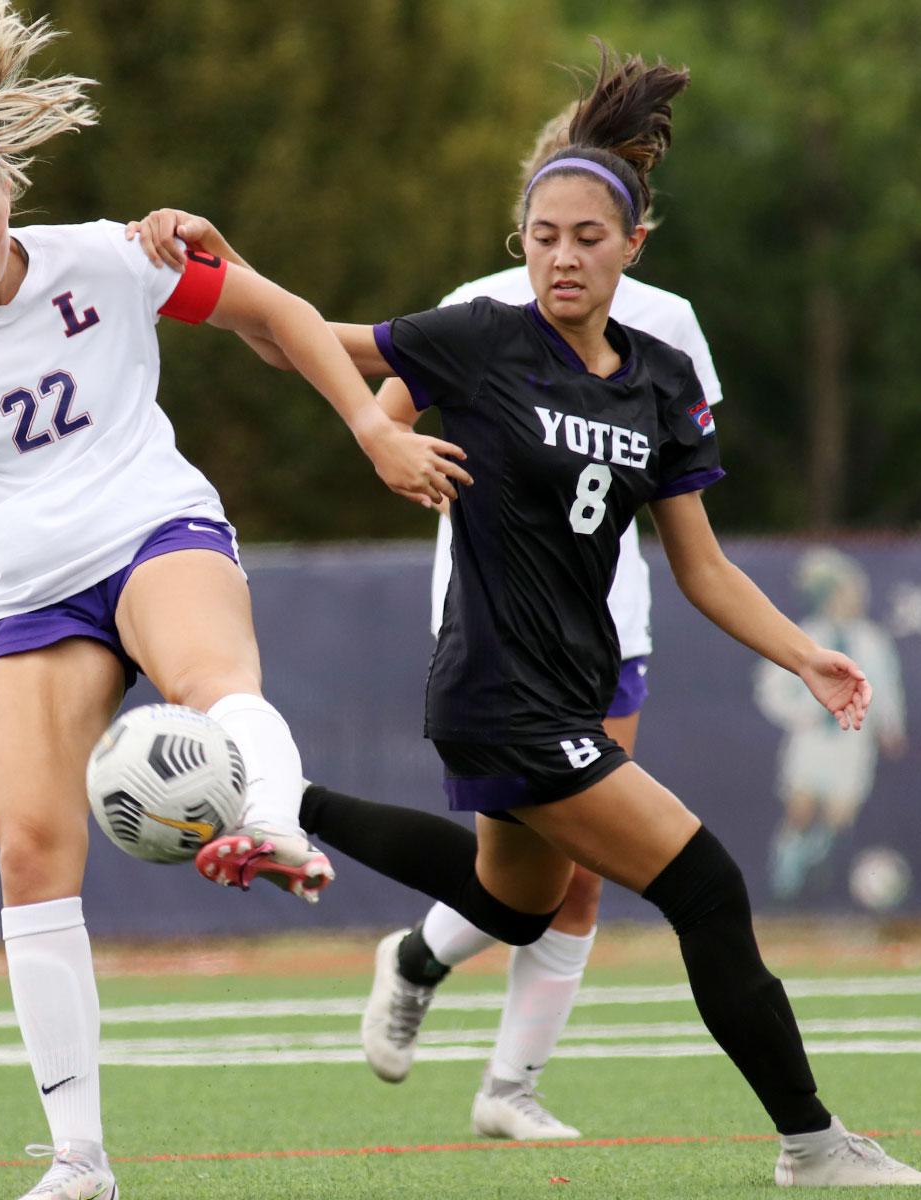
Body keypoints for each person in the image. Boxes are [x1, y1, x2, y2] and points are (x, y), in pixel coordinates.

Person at [126, 51, 921, 1187]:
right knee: (706, 887)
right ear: (523, 239)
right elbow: (303, 335)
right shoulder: (484, 335)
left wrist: (808, 655)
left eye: (588, 237)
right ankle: (813, 1145)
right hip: (497, 690)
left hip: (575, 682)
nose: (562, 254)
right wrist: (217, 272)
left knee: (514, 901)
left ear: (633, 246)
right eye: (543, 233)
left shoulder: (660, 376)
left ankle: (265, 799)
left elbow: (700, 568)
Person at [0, 4, 464, 1197]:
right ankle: (80, 1161)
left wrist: (367, 428)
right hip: (34, 598)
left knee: (214, 682)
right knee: (31, 852)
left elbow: (276, 316)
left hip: (154, 527)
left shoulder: (107, 254)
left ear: (9, 204)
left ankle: (278, 827)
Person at [363, 53, 716, 1142]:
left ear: (630, 219)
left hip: (611, 624)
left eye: (597, 215)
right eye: (551, 219)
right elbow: (385, 396)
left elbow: (675, 499)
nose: (570, 239)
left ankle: (505, 1083)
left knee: (581, 877)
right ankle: (420, 959)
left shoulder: (669, 326)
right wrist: (391, 441)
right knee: (525, 867)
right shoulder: (482, 307)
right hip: (492, 621)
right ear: (534, 206)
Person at [756, 548, 908, 900]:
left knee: (839, 818)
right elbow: (771, 689)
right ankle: (784, 884)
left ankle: (816, 880)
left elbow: (886, 689)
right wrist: (804, 714)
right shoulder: (804, 635)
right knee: (801, 808)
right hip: (811, 741)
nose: (857, 598)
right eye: (850, 591)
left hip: (851, 744)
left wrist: (891, 727)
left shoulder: (872, 640)